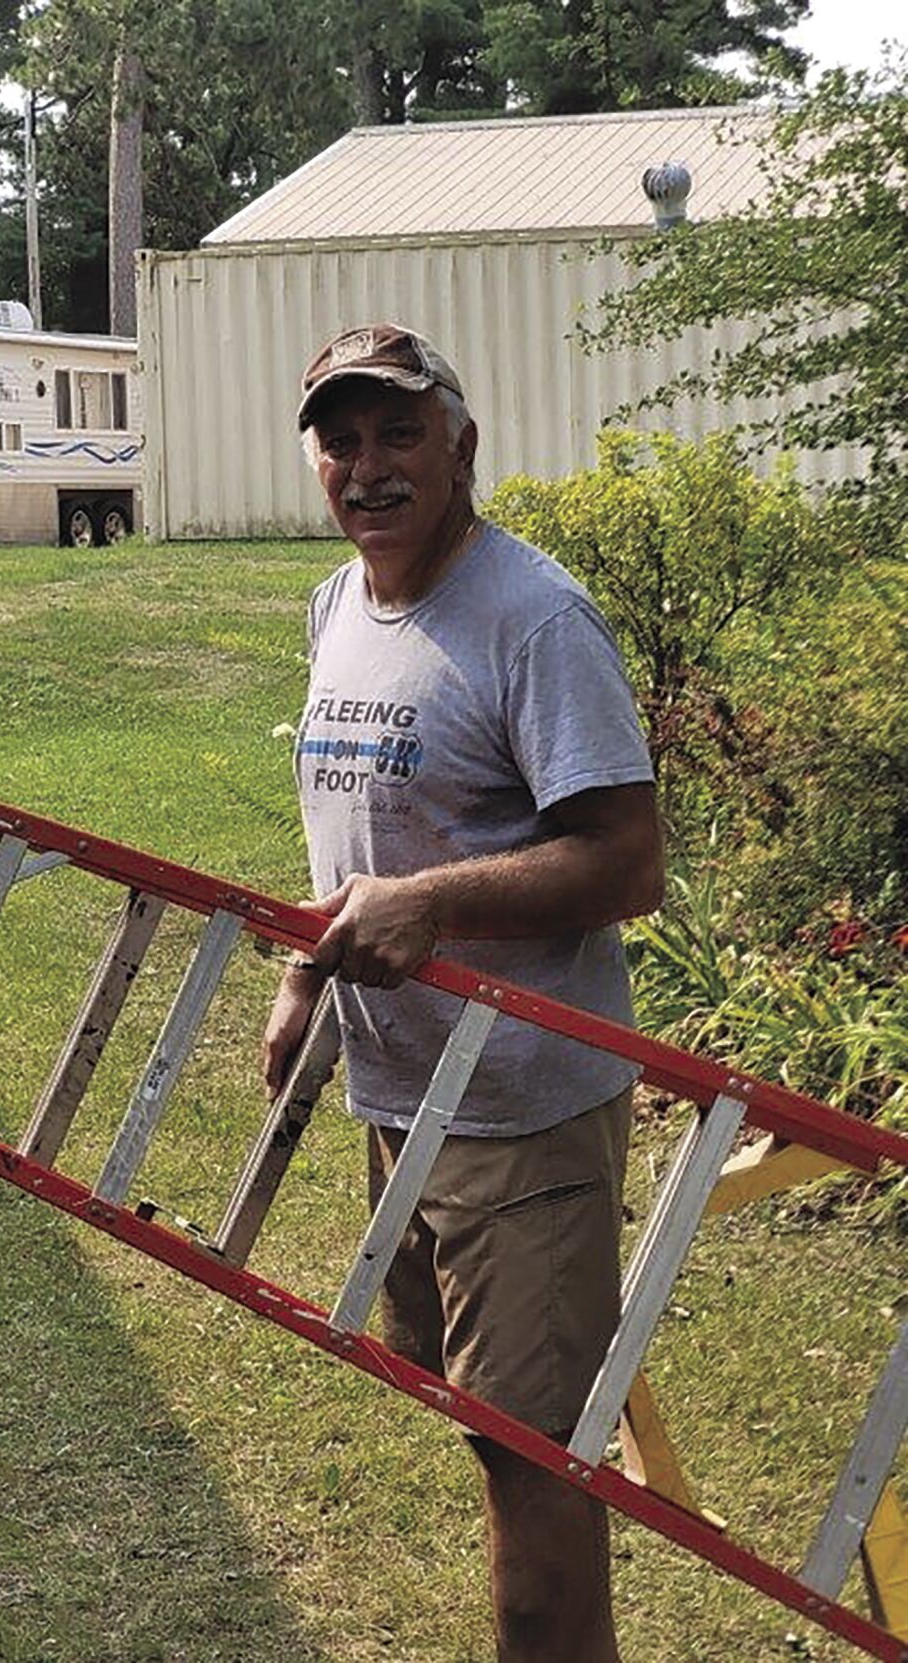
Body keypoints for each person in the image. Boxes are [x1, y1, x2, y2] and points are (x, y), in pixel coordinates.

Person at [261, 323, 665, 1663]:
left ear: (460, 444)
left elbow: (626, 861)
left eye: (398, 433)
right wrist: (309, 973)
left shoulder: (534, 618)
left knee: (534, 1467)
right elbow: (358, 835)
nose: (367, 466)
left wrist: (437, 907)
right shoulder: (338, 605)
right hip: (404, 1099)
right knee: (488, 1438)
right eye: (342, 437)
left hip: (519, 1115)